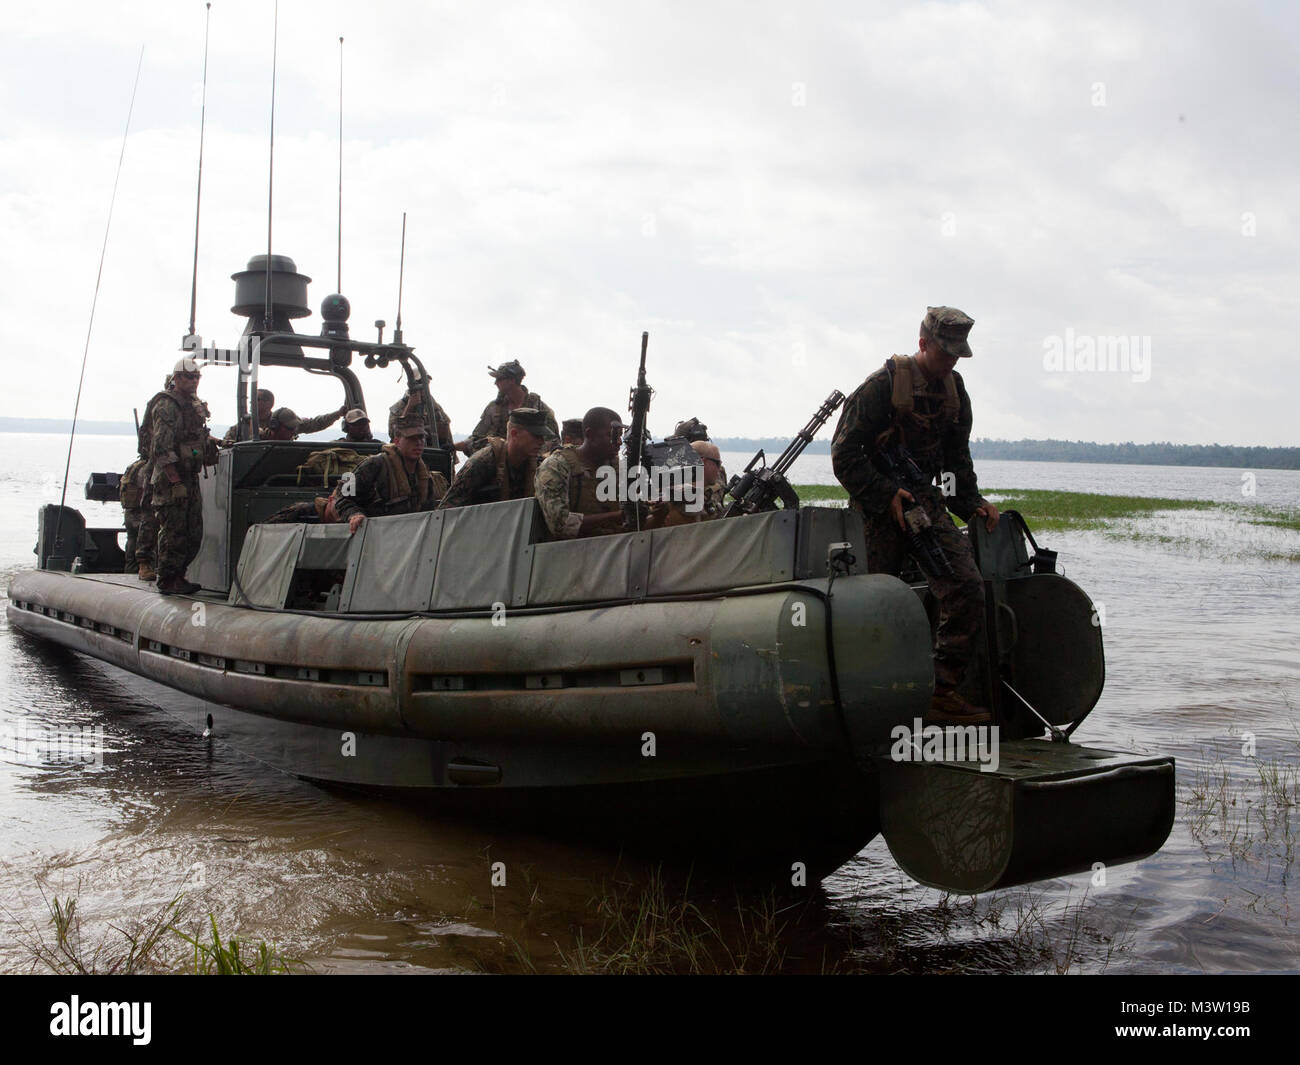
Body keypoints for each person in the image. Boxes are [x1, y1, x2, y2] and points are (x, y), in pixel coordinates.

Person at [831, 306, 1000, 724]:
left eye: (958, 355)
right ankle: (869, 701)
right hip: (878, 510)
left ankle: (941, 691)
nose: (951, 362)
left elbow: (957, 461)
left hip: (926, 505)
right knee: (874, 605)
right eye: (945, 353)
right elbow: (843, 454)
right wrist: (885, 492)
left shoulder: (955, 392)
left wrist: (973, 502)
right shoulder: (880, 387)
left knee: (966, 587)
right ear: (922, 343)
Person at [147, 357, 220, 595]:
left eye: (196, 377)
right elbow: (161, 448)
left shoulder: (192, 404)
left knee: (193, 531)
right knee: (174, 531)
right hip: (172, 480)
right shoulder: (167, 405)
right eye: (188, 377)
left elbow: (194, 436)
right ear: (177, 378)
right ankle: (167, 579)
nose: (193, 381)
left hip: (189, 476)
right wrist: (175, 481)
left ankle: (179, 575)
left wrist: (214, 442)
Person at [335, 417, 449, 534]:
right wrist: (354, 514)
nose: (418, 443)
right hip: (375, 534)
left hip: (409, 535)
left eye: (421, 437)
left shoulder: (423, 474)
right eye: (411, 438)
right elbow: (342, 495)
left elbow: (428, 511)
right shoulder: (375, 464)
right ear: (397, 441)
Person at [534, 406, 627, 539]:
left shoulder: (614, 466)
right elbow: (560, 524)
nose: (619, 442)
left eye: (619, 436)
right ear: (590, 435)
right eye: (611, 435)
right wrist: (616, 517)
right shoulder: (556, 466)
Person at [438, 407, 547, 509]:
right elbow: (446, 510)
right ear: (514, 433)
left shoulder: (538, 466)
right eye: (536, 436)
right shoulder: (482, 462)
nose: (542, 442)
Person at [459, 360, 558, 455]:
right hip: (499, 466)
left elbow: (553, 442)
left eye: (499, 379)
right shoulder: (493, 408)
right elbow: (477, 437)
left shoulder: (540, 409)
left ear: (511, 380)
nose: (496, 383)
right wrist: (455, 446)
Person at [645, 440, 726, 528]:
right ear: (703, 462)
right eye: (717, 463)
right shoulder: (674, 496)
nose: (719, 469)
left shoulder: (707, 493)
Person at [224, 389, 345, 443]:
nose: (252, 403)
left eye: (257, 399)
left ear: (269, 403)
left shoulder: (285, 422)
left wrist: (338, 414)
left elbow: (315, 423)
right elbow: (227, 447)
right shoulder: (242, 427)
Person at [387, 386, 455, 457]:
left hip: (432, 450)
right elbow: (393, 433)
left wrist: (425, 430)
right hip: (404, 452)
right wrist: (409, 407)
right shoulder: (399, 407)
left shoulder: (433, 405)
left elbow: (445, 427)